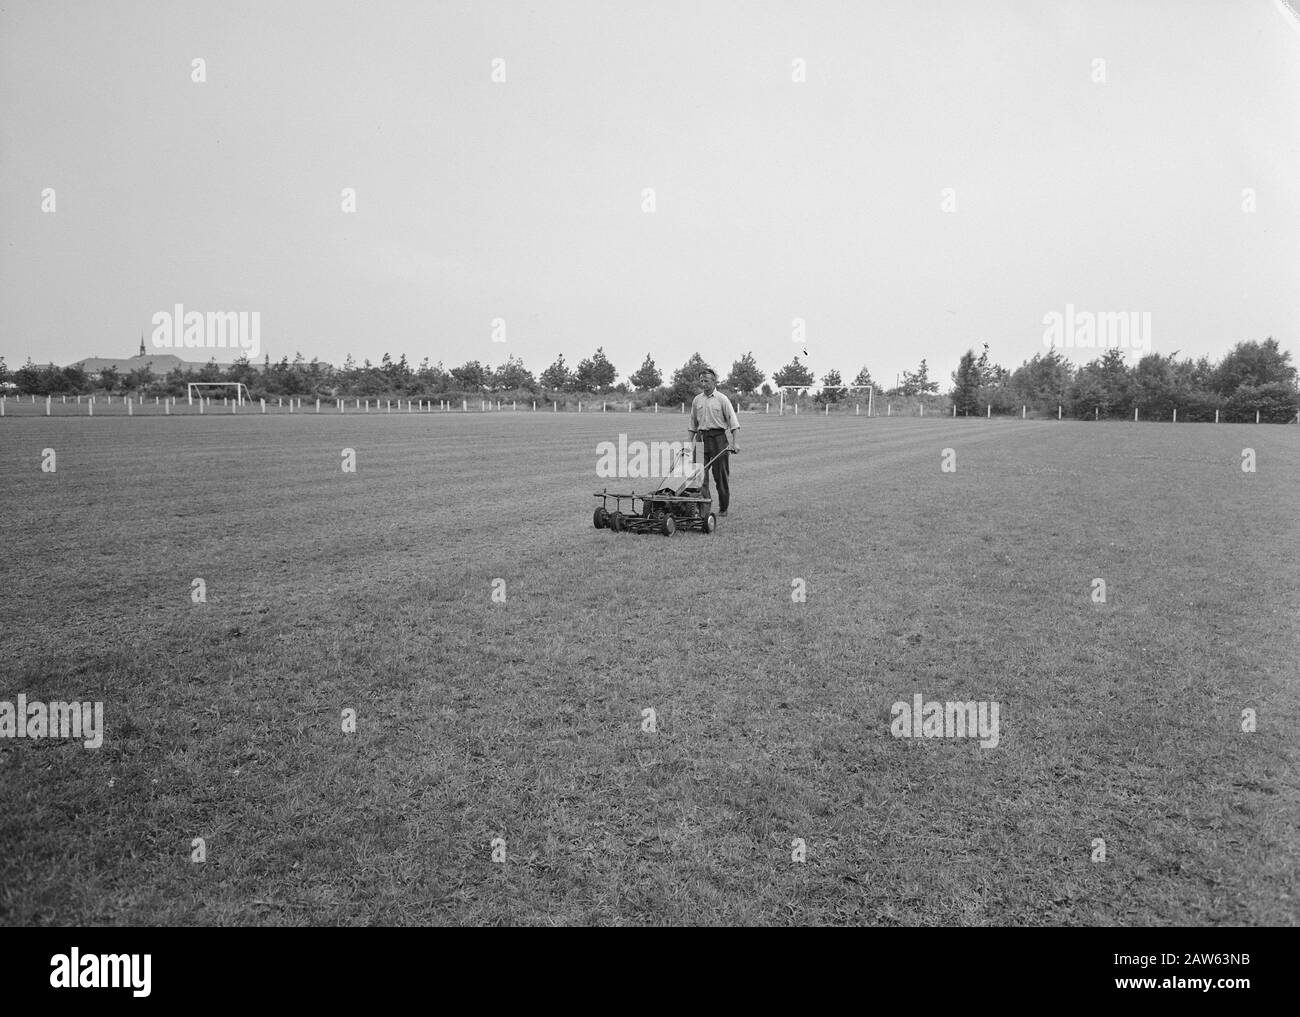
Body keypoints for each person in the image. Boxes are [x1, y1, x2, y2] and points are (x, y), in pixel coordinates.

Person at [687, 369, 740, 516]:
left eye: (706, 381)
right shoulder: (697, 400)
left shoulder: (722, 399)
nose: (703, 384)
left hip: (718, 440)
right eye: (701, 381)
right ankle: (705, 510)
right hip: (701, 439)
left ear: (714, 381)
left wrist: (735, 443)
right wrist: (689, 444)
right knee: (699, 477)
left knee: (720, 477)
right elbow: (692, 424)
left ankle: (723, 508)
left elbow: (734, 423)